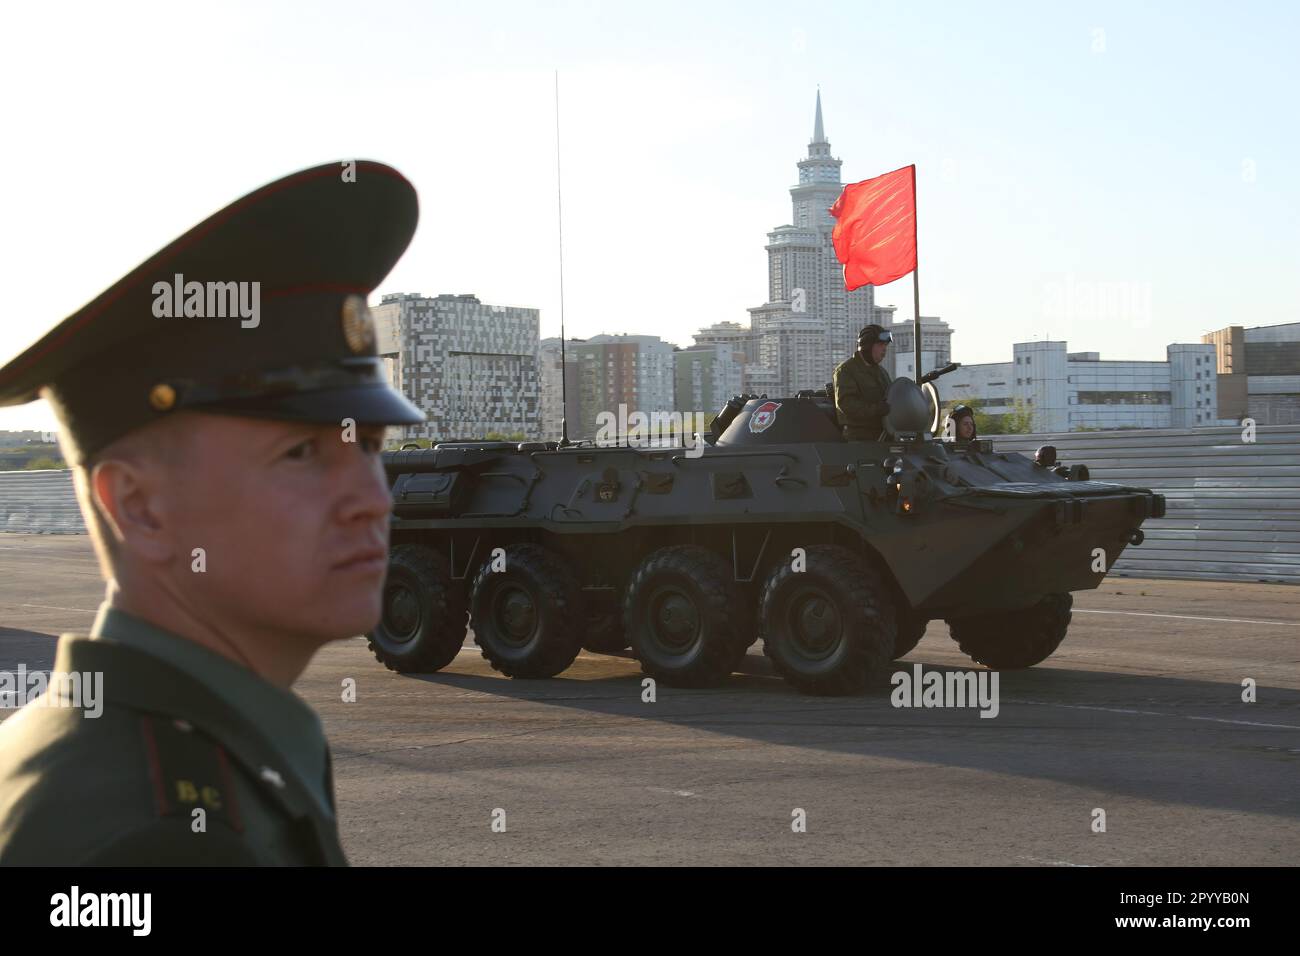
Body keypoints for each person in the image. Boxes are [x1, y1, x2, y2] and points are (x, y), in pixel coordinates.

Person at [0, 161, 425, 865]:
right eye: (300, 454)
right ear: (139, 507)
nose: (372, 498)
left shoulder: (82, 751)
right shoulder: (160, 838)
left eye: (369, 445)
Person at [833, 325, 894, 440]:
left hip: (883, 435)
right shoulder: (846, 370)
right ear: (867, 346)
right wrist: (877, 409)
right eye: (880, 345)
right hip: (859, 437)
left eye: (885, 345)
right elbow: (847, 405)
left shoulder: (882, 373)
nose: (884, 349)